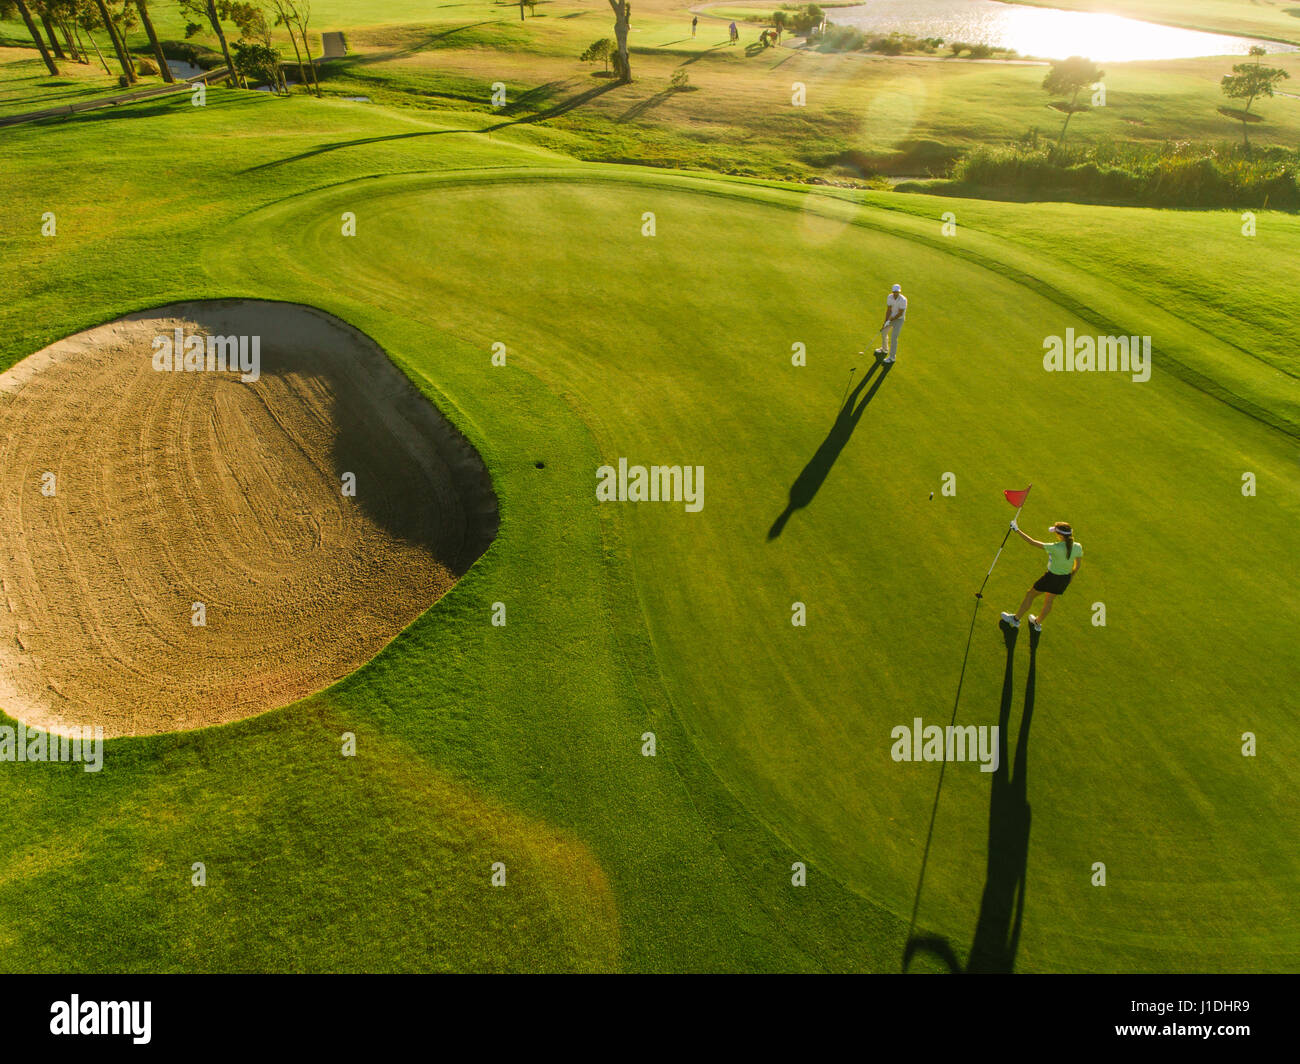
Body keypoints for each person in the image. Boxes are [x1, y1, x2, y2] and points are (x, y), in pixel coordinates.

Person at [1000, 521, 1083, 632]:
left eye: (1056, 533)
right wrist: (1070, 578)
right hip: (1064, 579)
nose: (1055, 535)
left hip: (1051, 577)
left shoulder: (1055, 547)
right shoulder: (1077, 546)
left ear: (1061, 535)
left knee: (1030, 594)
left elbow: (1032, 542)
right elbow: (1077, 567)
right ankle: (1037, 623)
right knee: (1049, 601)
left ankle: (1015, 619)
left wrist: (1016, 530)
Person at [880, 283, 906, 364]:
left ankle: (892, 357)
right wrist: (885, 321)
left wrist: (891, 319)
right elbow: (888, 310)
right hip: (891, 318)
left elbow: (900, 313)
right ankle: (884, 349)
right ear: (892, 291)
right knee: (884, 332)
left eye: (897, 292)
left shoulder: (903, 300)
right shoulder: (889, 297)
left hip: (899, 320)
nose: (896, 293)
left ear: (899, 292)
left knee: (894, 338)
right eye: (894, 292)